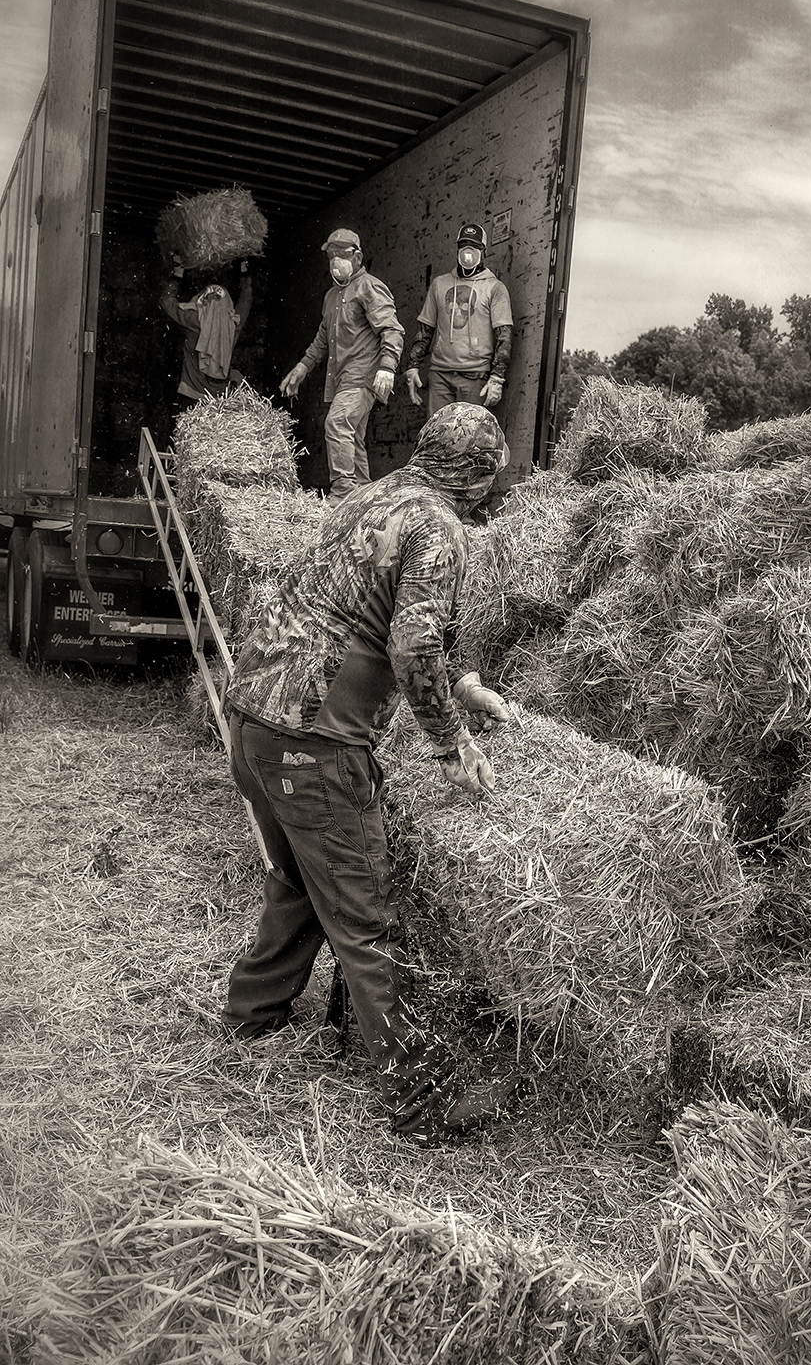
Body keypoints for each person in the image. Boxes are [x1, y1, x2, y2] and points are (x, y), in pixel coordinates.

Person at [221, 402, 516, 1146]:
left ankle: (251, 1017)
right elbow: (414, 644)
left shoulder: (370, 496)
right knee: (366, 917)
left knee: (301, 884)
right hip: (314, 742)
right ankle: (422, 1100)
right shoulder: (440, 528)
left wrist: (463, 685)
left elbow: (364, 614)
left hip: (255, 723)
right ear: (480, 477)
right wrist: (453, 744)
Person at [279, 228, 404, 502]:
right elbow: (322, 340)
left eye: (343, 255)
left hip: (363, 377)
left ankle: (342, 495)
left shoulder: (369, 287)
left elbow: (392, 330)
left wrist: (387, 366)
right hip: (342, 380)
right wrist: (301, 369)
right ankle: (361, 496)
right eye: (332, 256)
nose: (336, 261)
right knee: (352, 437)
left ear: (358, 257)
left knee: (337, 424)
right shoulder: (332, 297)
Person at [405, 224, 513, 421]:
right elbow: (425, 329)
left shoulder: (494, 288)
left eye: (474, 246)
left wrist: (497, 377)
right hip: (440, 376)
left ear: (483, 251)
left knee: (469, 440)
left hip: (475, 377)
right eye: (463, 245)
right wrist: (413, 366)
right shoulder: (440, 284)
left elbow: (503, 336)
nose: (467, 252)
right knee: (437, 436)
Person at [161, 257, 253, 406]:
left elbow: (166, 301)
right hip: (220, 399)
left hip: (192, 393)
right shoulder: (233, 323)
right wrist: (244, 274)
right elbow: (246, 299)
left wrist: (177, 274)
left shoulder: (194, 320)